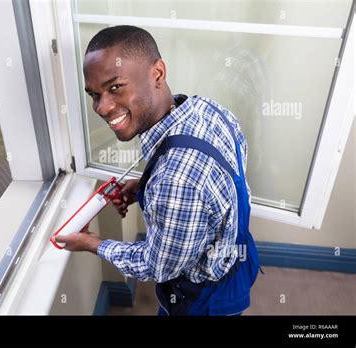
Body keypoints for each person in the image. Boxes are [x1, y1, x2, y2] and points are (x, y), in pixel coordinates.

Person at [53, 25, 261, 316]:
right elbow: (214, 188)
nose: (101, 107)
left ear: (158, 74)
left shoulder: (175, 180)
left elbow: (159, 265)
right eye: (94, 94)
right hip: (236, 256)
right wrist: (144, 186)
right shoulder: (207, 109)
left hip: (205, 299)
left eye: (115, 87)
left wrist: (92, 244)